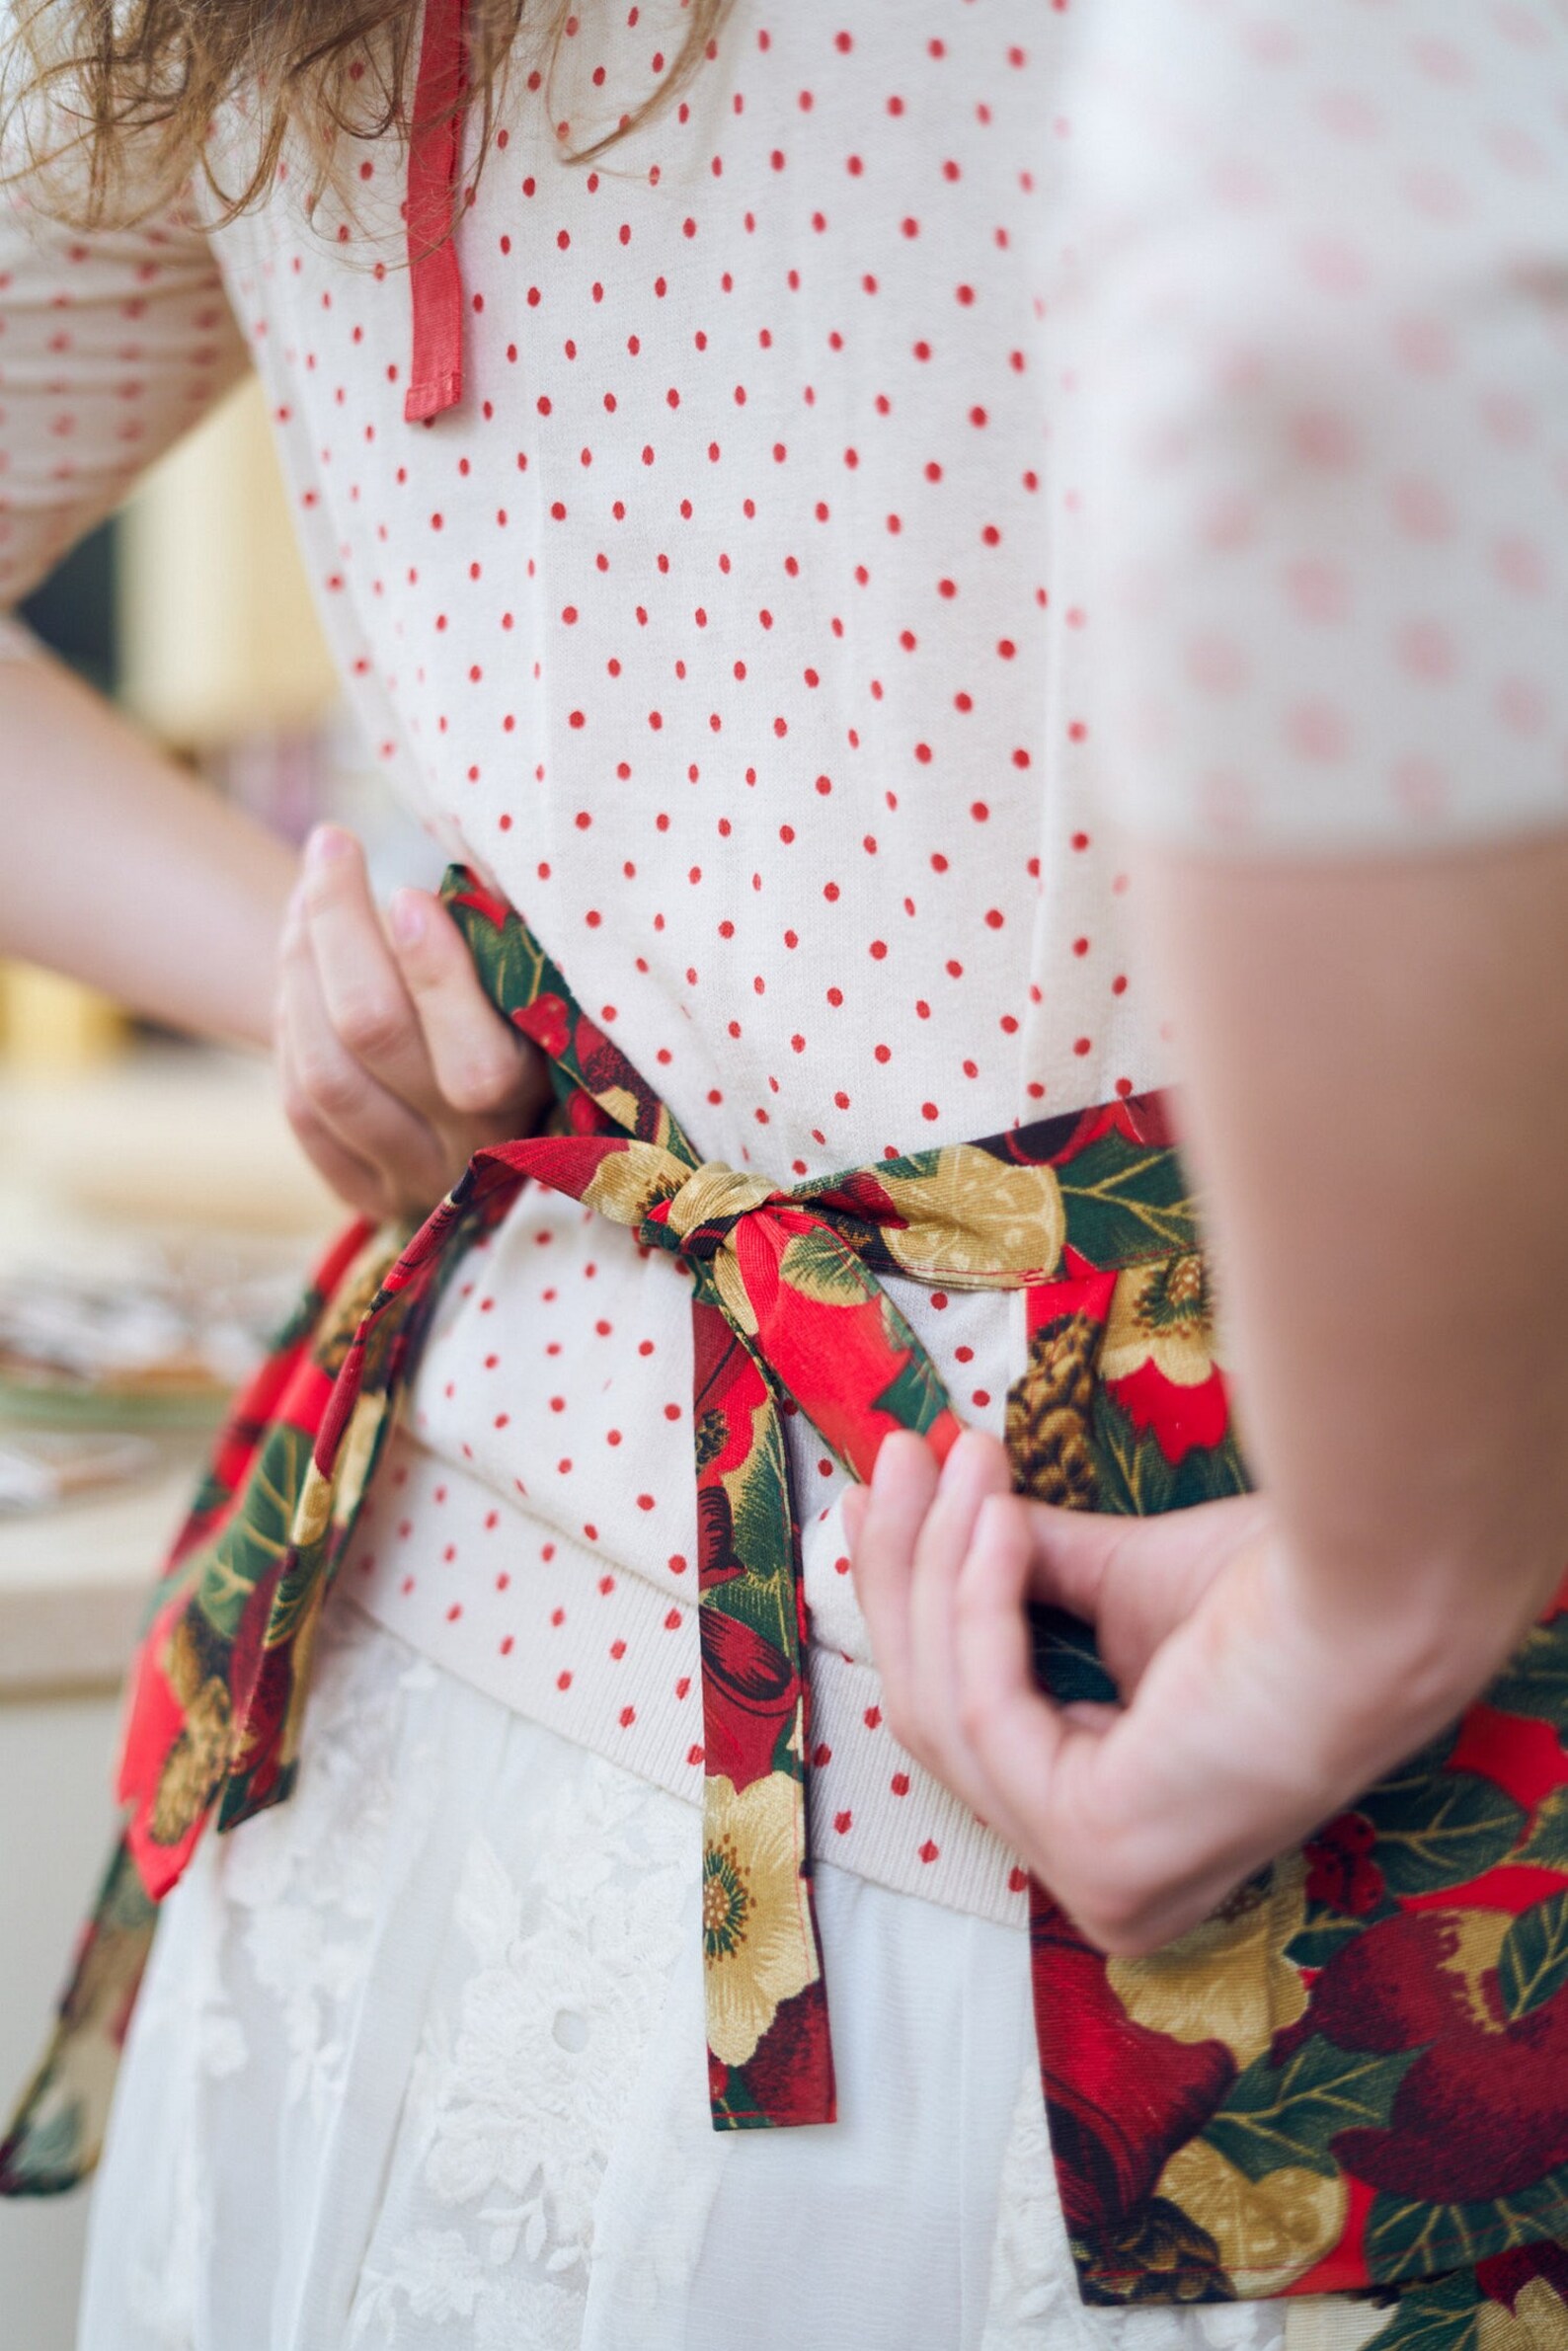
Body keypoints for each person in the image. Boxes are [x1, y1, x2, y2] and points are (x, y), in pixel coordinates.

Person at [2, 1, 1568, 2346]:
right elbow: (1328, 392)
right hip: (1170, 1749)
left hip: (431, 1781)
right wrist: (1389, 1577)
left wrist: (341, 981)